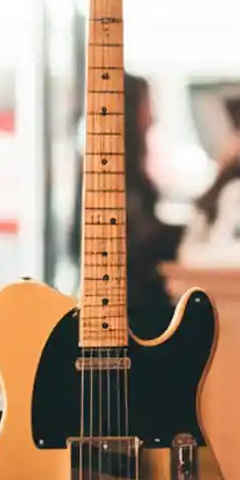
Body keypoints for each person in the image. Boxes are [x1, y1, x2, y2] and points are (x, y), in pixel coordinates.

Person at [71, 73, 183, 340]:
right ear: (131, 108)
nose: (153, 116)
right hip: (132, 310)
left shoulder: (121, 168)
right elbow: (138, 244)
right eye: (148, 103)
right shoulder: (110, 172)